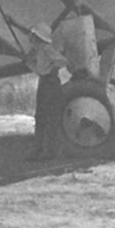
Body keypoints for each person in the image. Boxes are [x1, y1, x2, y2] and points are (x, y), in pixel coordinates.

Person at [24, 21, 69, 161]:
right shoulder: (39, 50)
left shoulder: (46, 49)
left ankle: (47, 151)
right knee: (44, 117)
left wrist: (49, 69)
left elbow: (62, 61)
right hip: (46, 82)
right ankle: (44, 150)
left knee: (47, 117)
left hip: (49, 83)